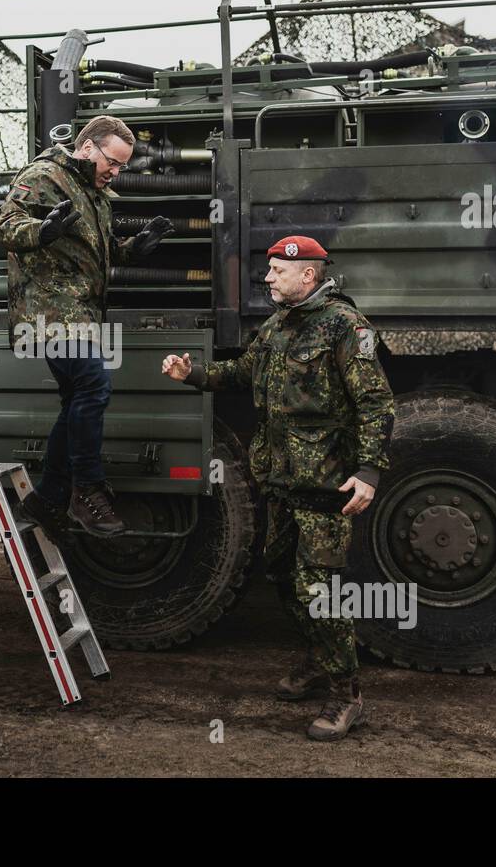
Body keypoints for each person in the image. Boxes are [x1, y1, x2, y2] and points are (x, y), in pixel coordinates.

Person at [161, 236, 395, 741]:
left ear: (307, 275)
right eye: (268, 270)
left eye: (276, 271)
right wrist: (192, 374)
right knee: (284, 577)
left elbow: (377, 404)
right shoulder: (277, 327)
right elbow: (242, 372)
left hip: (326, 485)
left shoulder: (345, 327)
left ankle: (347, 696)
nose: (267, 279)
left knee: (321, 590)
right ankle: (317, 657)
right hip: (283, 482)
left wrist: (370, 470)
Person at [0, 115, 173, 539]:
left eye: (122, 166)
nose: (116, 171)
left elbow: (98, 251)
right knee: (94, 386)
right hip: (48, 311)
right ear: (88, 147)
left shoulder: (95, 193)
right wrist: (42, 230)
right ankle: (85, 490)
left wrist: (133, 248)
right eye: (113, 161)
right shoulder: (43, 175)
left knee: (78, 398)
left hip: (82, 312)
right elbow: (3, 225)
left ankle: (47, 496)